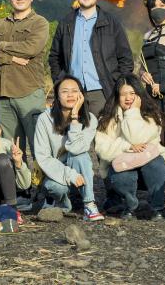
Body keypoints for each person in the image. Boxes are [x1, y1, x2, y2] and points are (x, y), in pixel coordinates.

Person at [0, 0, 49, 160]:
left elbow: (31, 48)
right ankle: (19, 187)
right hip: (4, 94)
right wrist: (11, 59)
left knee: (38, 144)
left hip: (29, 91)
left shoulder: (39, 23)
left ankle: (44, 186)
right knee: (10, 147)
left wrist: (2, 46)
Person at [48, 0, 133, 114]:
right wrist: (59, 82)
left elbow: (125, 58)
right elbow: (54, 57)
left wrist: (117, 84)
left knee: (102, 134)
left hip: (103, 93)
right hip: (73, 94)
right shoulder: (66, 23)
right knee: (74, 134)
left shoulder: (111, 22)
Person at [93, 74, 165, 219]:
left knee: (156, 163)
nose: (128, 98)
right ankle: (131, 206)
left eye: (132, 93)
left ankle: (157, 208)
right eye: (123, 94)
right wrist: (126, 146)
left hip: (148, 169)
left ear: (139, 95)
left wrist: (132, 113)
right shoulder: (107, 118)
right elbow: (102, 148)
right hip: (122, 169)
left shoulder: (151, 114)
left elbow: (137, 138)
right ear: (117, 97)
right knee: (122, 173)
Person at [33, 75, 104, 221]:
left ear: (81, 95)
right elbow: (43, 157)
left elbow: (77, 149)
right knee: (56, 188)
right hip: (52, 172)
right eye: (65, 91)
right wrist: (70, 175)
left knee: (81, 155)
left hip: (77, 168)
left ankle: (89, 204)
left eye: (74, 91)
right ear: (57, 97)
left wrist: (74, 118)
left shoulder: (90, 119)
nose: (70, 95)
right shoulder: (44, 119)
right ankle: (60, 201)